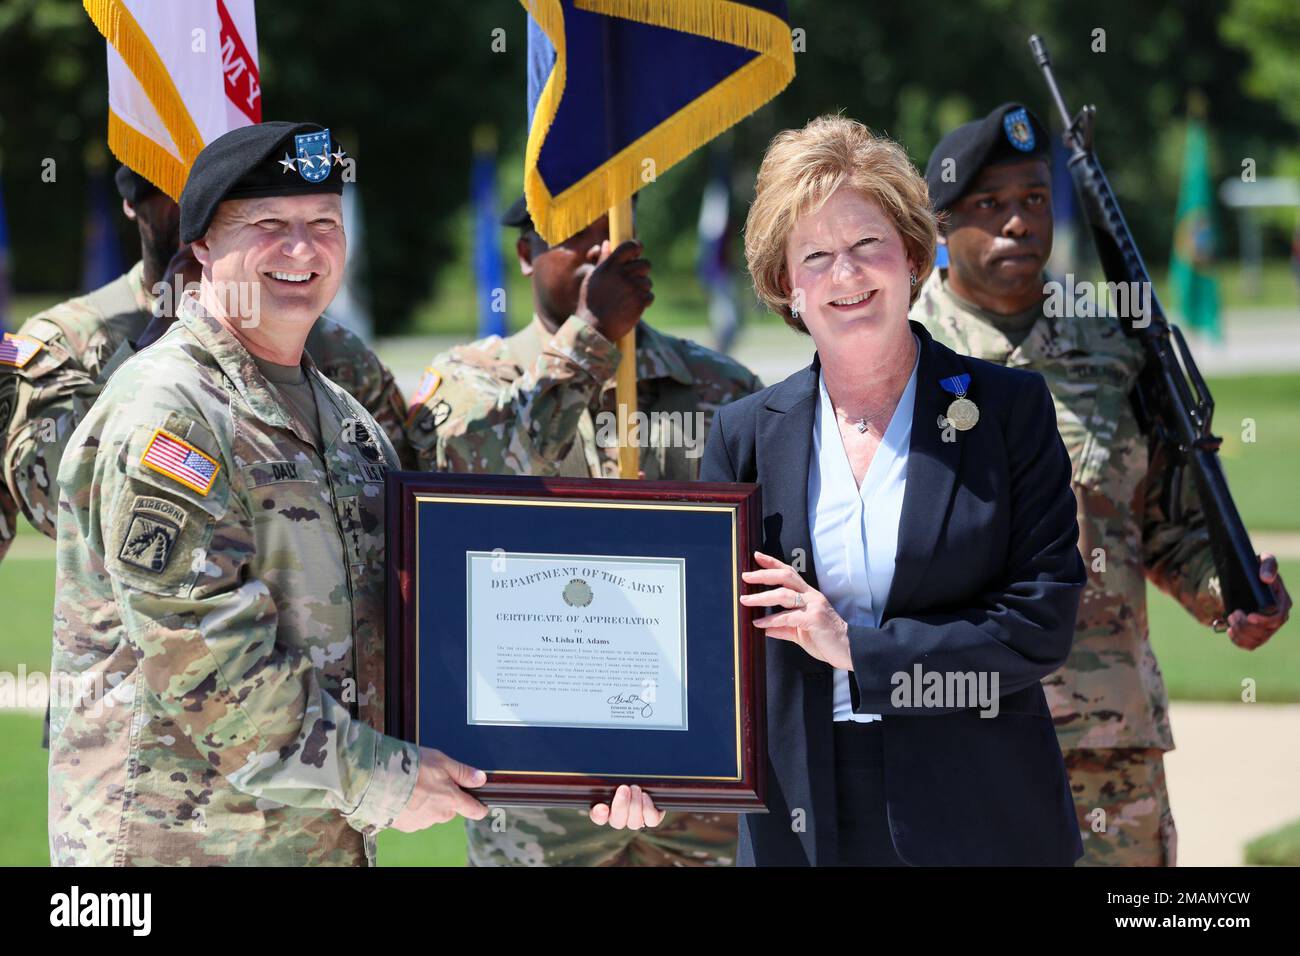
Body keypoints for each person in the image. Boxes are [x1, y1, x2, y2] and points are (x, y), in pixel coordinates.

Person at [49, 122, 487, 867]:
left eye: (323, 224)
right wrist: (390, 780)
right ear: (203, 248)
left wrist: (569, 755)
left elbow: (401, 626)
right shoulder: (173, 416)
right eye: (270, 226)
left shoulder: (345, 422)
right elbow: (212, 675)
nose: (303, 250)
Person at [695, 114, 1086, 866]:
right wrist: (633, 768)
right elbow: (710, 646)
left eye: (867, 245)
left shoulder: (1009, 413)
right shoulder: (742, 435)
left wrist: (856, 649)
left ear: (912, 256)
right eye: (815, 255)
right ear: (786, 284)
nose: (846, 275)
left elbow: (1039, 624)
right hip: (797, 823)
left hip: (981, 814)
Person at [913, 102, 1292, 866]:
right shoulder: (899, 361)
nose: (1018, 223)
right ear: (940, 232)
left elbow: (1166, 523)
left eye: (1031, 200)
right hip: (959, 736)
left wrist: (1232, 596)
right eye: (989, 206)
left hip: (1108, 740)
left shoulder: (1118, 346)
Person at [404, 196, 762, 866]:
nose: (602, 252)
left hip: (698, 783)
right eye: (575, 238)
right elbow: (466, 466)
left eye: (616, 233)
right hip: (536, 789)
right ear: (525, 254)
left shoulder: (718, 387)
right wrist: (592, 336)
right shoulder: (473, 380)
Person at [0, 167, 412, 570]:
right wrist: (169, 325)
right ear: (132, 203)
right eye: (174, 187)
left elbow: (405, 497)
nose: (195, 202)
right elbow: (63, 505)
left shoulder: (329, 345)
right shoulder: (63, 340)